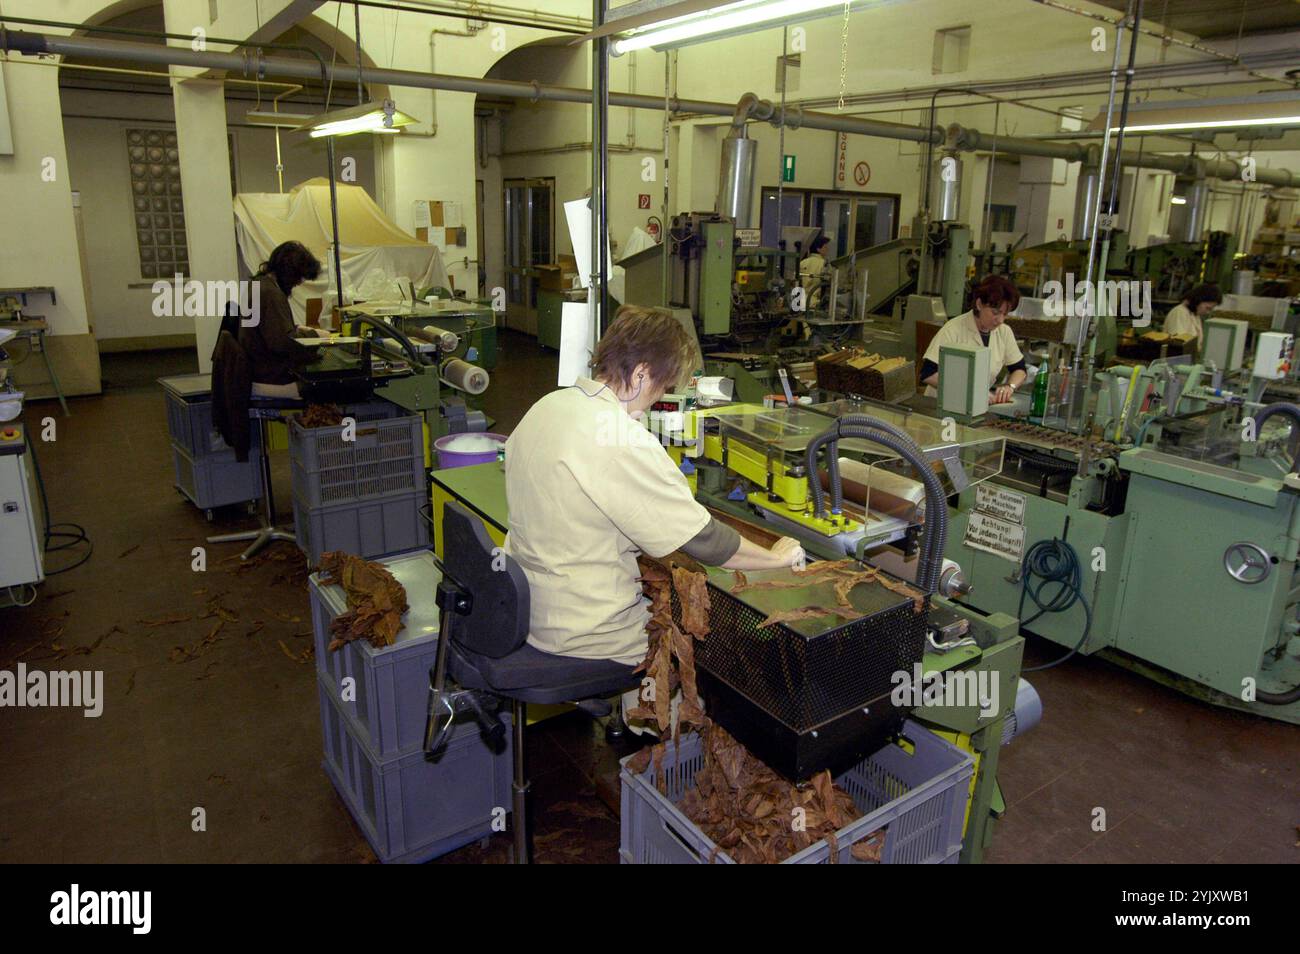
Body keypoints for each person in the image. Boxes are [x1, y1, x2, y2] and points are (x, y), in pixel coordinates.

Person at [503, 305, 806, 670]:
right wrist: (778, 559)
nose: (657, 398)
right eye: (662, 387)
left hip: (527, 611)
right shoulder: (620, 437)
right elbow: (704, 541)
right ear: (641, 376)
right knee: (698, 647)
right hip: (588, 635)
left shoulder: (547, 405)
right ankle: (661, 721)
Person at [920, 274, 1027, 405]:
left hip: (977, 407)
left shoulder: (1004, 332)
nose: (1000, 320)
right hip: (942, 405)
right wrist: (970, 391)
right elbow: (927, 373)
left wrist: (1010, 387)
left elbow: (1019, 369)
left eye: (1005, 314)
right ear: (979, 304)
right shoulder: (953, 329)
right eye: (995, 312)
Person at [240, 241, 328, 398]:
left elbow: (270, 329)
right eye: (298, 279)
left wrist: (298, 328)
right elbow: (282, 343)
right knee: (328, 382)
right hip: (271, 375)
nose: (299, 283)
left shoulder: (258, 285)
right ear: (288, 274)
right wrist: (316, 337)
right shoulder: (271, 294)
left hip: (257, 368)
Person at [1162, 283, 1222, 351]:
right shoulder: (1179, 312)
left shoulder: (1194, 314)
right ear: (1198, 300)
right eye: (1207, 308)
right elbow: (1180, 344)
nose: (1208, 312)